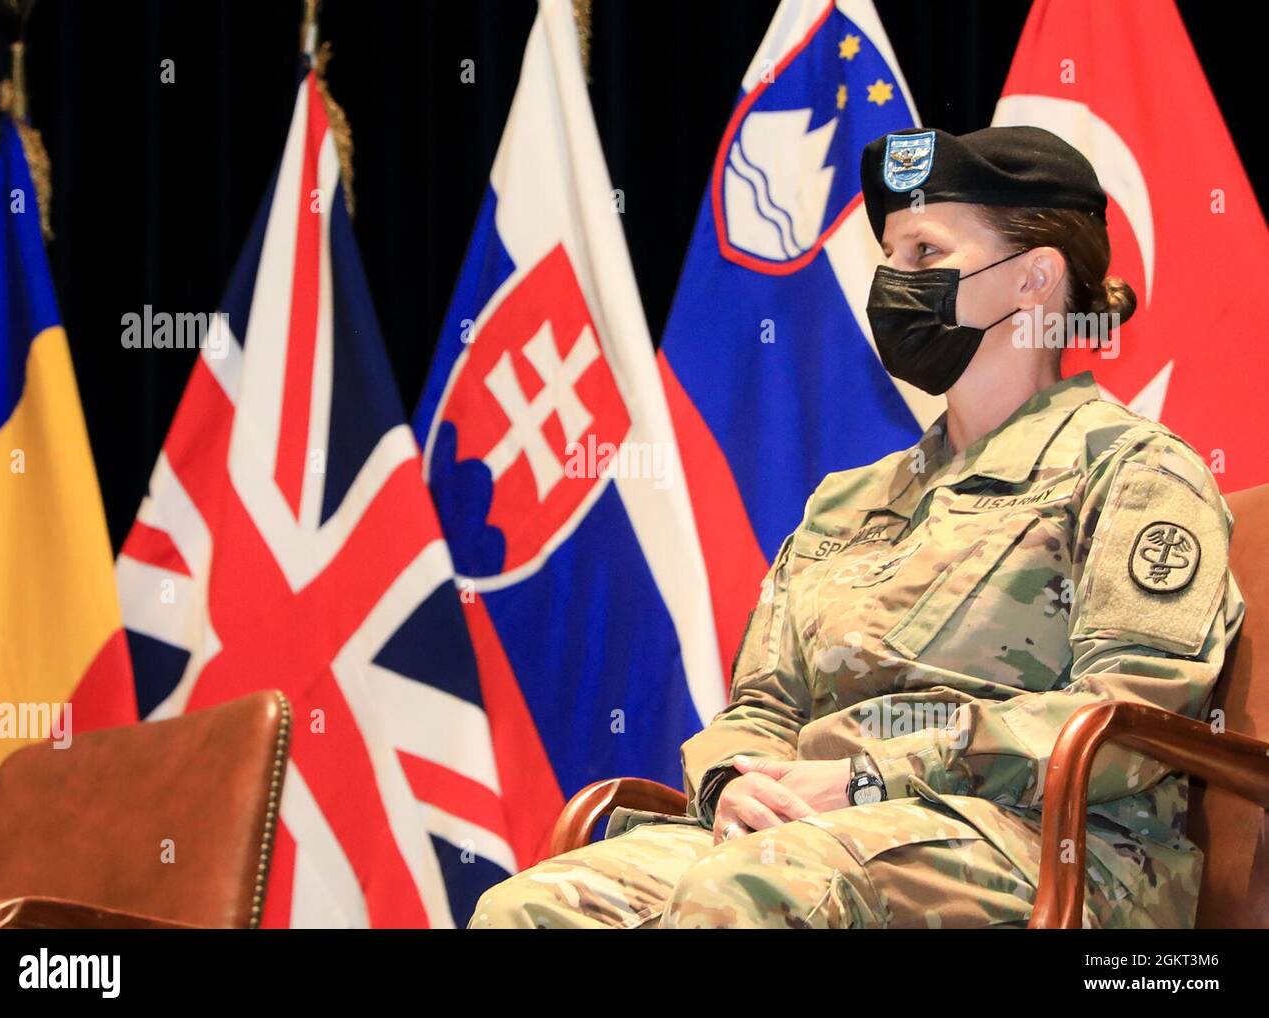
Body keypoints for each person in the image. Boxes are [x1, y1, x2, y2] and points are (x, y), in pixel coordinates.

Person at [468, 126, 1245, 929]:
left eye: (925, 254)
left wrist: (867, 777)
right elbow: (765, 706)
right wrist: (735, 781)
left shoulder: (1133, 470)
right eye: (889, 254)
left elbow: (1127, 716)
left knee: (749, 892)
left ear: (1034, 280)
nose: (891, 281)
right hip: (817, 834)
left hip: (1059, 853)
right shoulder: (847, 502)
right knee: (526, 910)